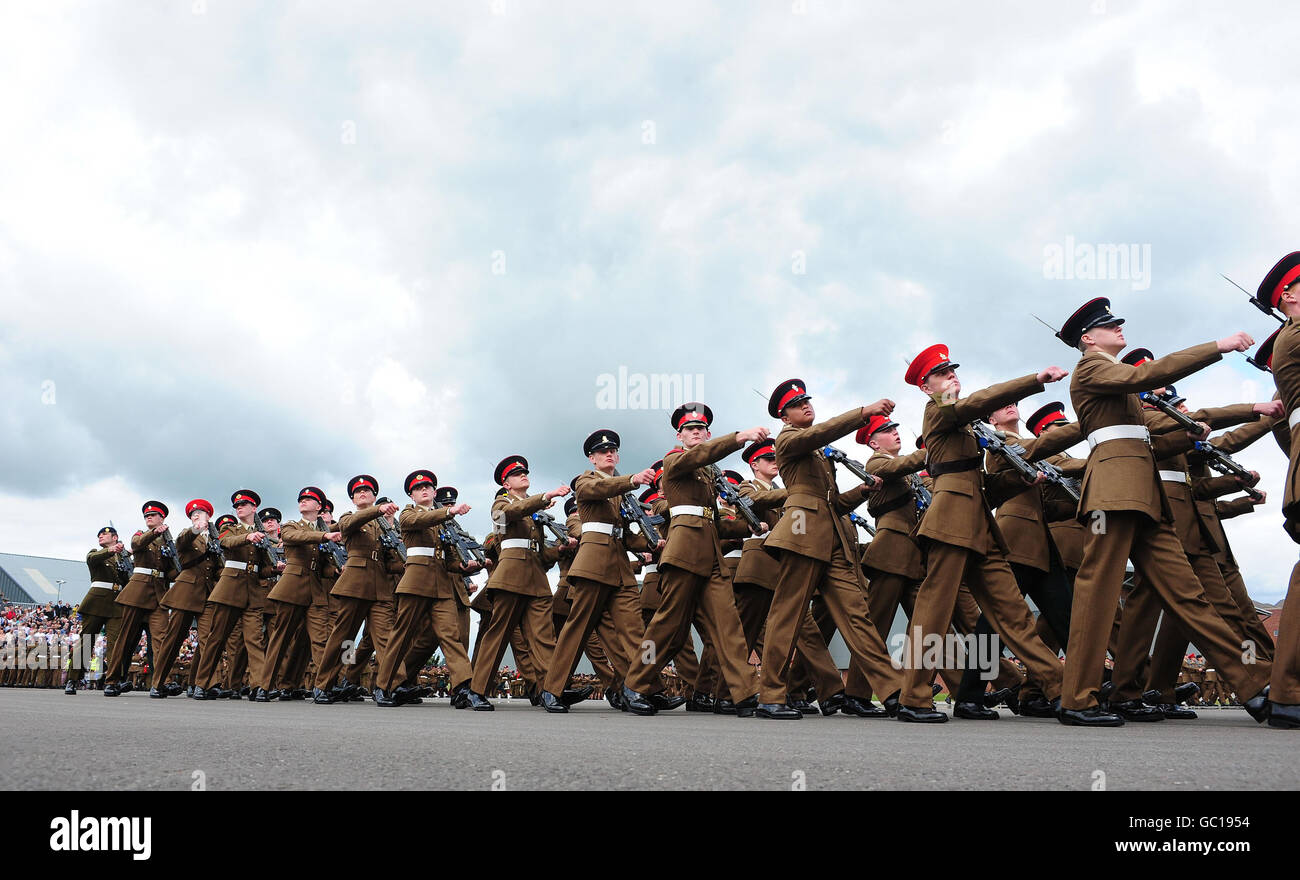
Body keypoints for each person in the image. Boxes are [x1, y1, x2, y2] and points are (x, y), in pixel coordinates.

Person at [1053, 297, 1272, 726]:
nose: (1119, 328)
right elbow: (1153, 373)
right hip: (1114, 494)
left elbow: (1163, 436)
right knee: (1097, 595)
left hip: (1147, 499)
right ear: (1086, 339)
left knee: (1189, 596)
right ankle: (1077, 698)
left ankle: (1254, 685)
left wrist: (1247, 412)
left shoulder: (1127, 394)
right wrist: (1218, 346)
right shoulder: (1091, 368)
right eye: (1108, 326)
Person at [622, 403, 766, 716]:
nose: (696, 432)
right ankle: (635, 683)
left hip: (712, 554)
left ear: (708, 432)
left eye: (701, 429)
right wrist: (739, 437)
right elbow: (699, 456)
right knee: (668, 627)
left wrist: (754, 525)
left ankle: (744, 694)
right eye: (690, 429)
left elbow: (717, 521)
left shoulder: (707, 475)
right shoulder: (675, 460)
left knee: (729, 626)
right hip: (684, 553)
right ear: (680, 434)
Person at [67, 527, 127, 694]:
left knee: (115, 645)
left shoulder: (123, 558)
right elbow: (92, 559)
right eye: (99, 535)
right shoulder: (96, 553)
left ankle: (112, 681)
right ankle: (73, 679)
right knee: (86, 641)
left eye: (105, 534)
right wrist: (110, 550)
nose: (101, 536)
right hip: (96, 602)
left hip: (116, 603)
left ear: (115, 537)